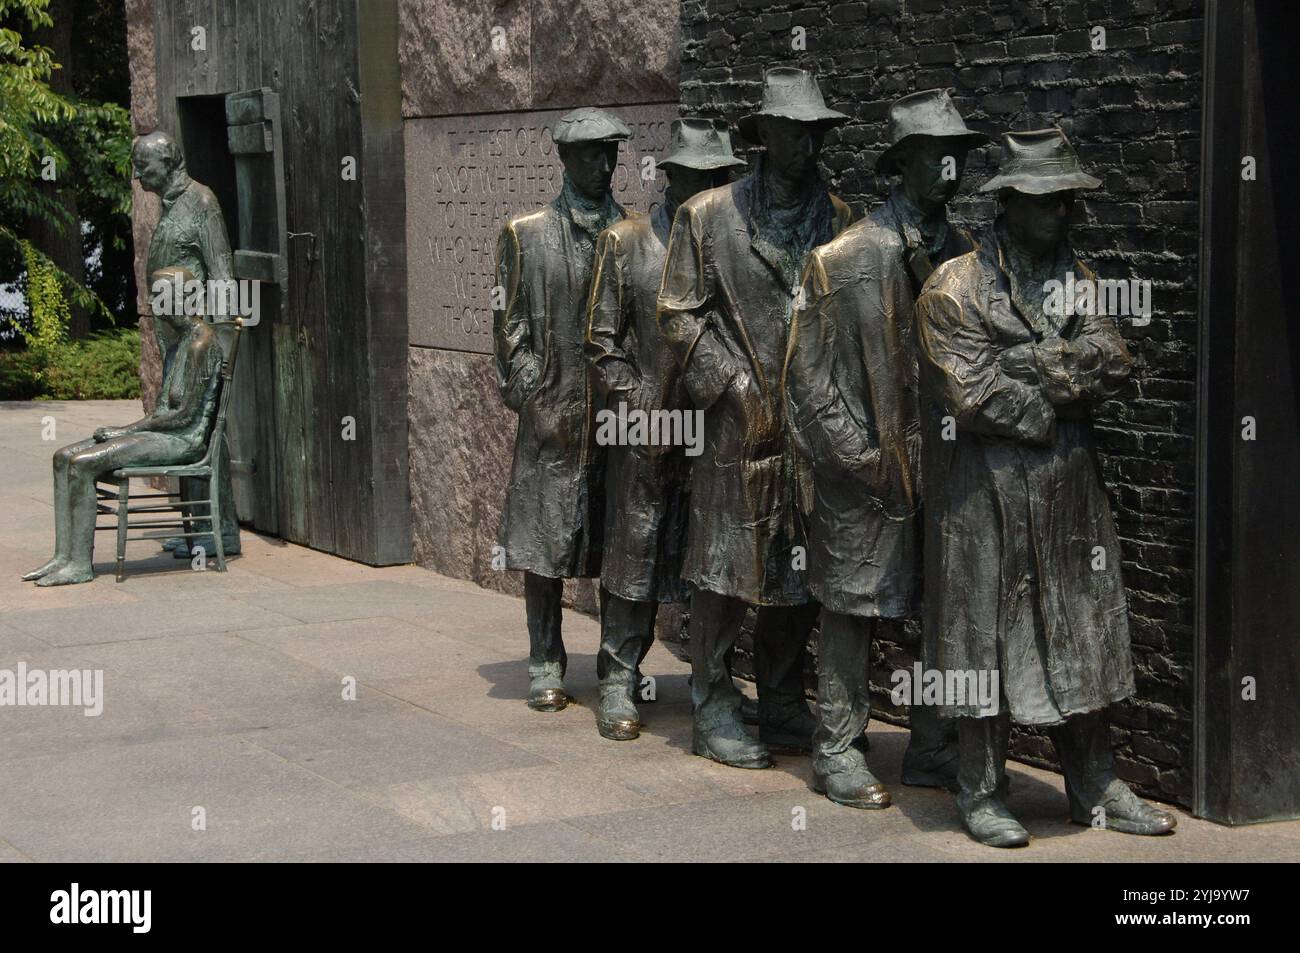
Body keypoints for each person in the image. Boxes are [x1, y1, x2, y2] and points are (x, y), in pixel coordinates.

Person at [914, 128, 1177, 846]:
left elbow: (1115, 361)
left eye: (1068, 201)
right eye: (1049, 201)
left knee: (1083, 631)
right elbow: (968, 393)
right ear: (1010, 205)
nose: (1064, 214)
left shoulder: (1082, 280)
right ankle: (981, 785)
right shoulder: (952, 287)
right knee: (983, 638)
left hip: (1068, 494)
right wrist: (1057, 397)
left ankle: (1094, 782)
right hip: (984, 495)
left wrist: (1033, 361)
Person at [783, 89, 988, 807]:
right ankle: (837, 745)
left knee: (941, 604)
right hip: (861, 471)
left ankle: (932, 744)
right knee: (851, 607)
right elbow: (805, 378)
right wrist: (857, 455)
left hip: (947, 467)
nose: (951, 170)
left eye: (959, 157)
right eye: (937, 156)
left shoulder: (969, 259)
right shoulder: (840, 259)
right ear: (901, 164)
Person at [658, 67, 855, 768]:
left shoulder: (840, 218)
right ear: (764, 136)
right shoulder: (707, 217)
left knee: (800, 571)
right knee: (725, 568)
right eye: (793, 132)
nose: (806, 144)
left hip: (813, 426)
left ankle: (779, 699)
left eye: (815, 133)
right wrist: (733, 383)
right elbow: (676, 317)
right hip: (736, 428)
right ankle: (711, 704)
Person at [585, 119, 745, 741]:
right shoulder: (625, 243)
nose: (707, 187)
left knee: (714, 562)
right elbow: (601, 343)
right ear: (671, 176)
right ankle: (619, 677)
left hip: (716, 433)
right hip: (647, 432)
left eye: (717, 177)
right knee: (634, 556)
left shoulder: (732, 245)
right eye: (695, 176)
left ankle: (716, 684)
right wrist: (635, 407)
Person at [493, 107, 634, 712]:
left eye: (610, 154)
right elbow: (508, 326)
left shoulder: (631, 234)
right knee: (545, 544)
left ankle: (616, 665)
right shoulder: (524, 235)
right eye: (589, 155)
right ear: (564, 159)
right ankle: (546, 658)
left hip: (613, 420)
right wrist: (532, 392)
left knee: (615, 543)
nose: (602, 166)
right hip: (551, 416)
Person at [23, 268, 224, 586]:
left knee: (83, 463)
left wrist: (124, 431)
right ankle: (63, 556)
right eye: (156, 296)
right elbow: (163, 410)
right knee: (63, 457)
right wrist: (131, 430)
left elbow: (183, 417)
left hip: (182, 440)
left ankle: (80, 565)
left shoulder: (202, 344)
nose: (157, 304)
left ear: (185, 297)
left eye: (163, 295)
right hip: (160, 431)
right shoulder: (177, 344)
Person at [132, 130, 240, 559]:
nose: (138, 174)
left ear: (170, 161)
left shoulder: (202, 203)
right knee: (184, 430)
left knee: (208, 431)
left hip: (200, 340)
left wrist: (224, 348)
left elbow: (223, 275)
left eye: (144, 165)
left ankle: (221, 532)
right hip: (175, 339)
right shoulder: (171, 204)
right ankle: (197, 527)